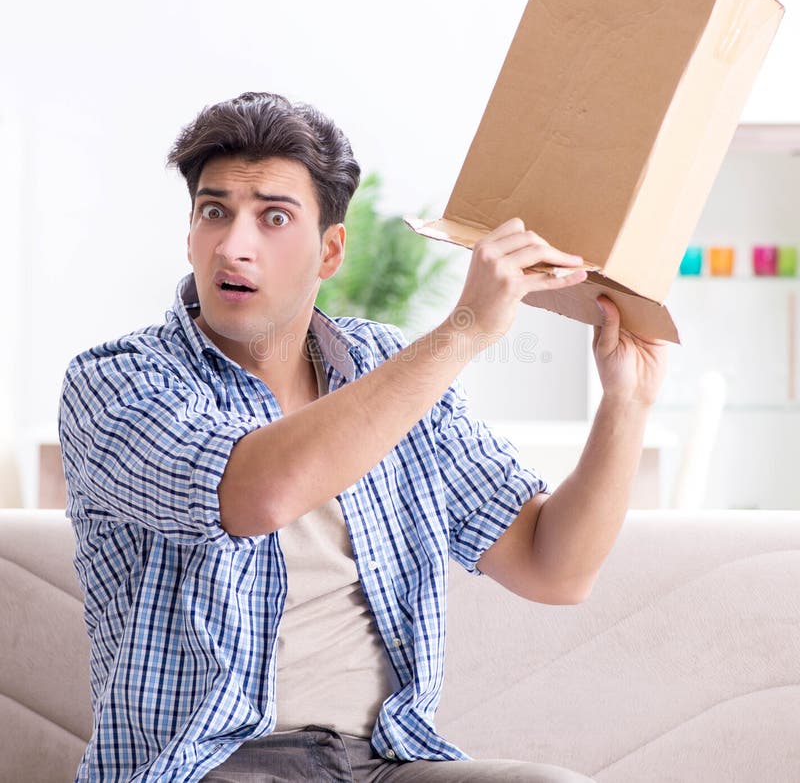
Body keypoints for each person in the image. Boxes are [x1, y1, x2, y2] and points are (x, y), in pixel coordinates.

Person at [59, 91, 668, 783]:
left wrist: (627, 401)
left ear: (330, 251)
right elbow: (254, 494)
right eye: (214, 212)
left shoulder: (386, 367)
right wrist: (464, 330)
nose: (233, 245)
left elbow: (553, 568)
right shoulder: (117, 381)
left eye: (274, 217)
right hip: (207, 767)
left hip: (386, 763)